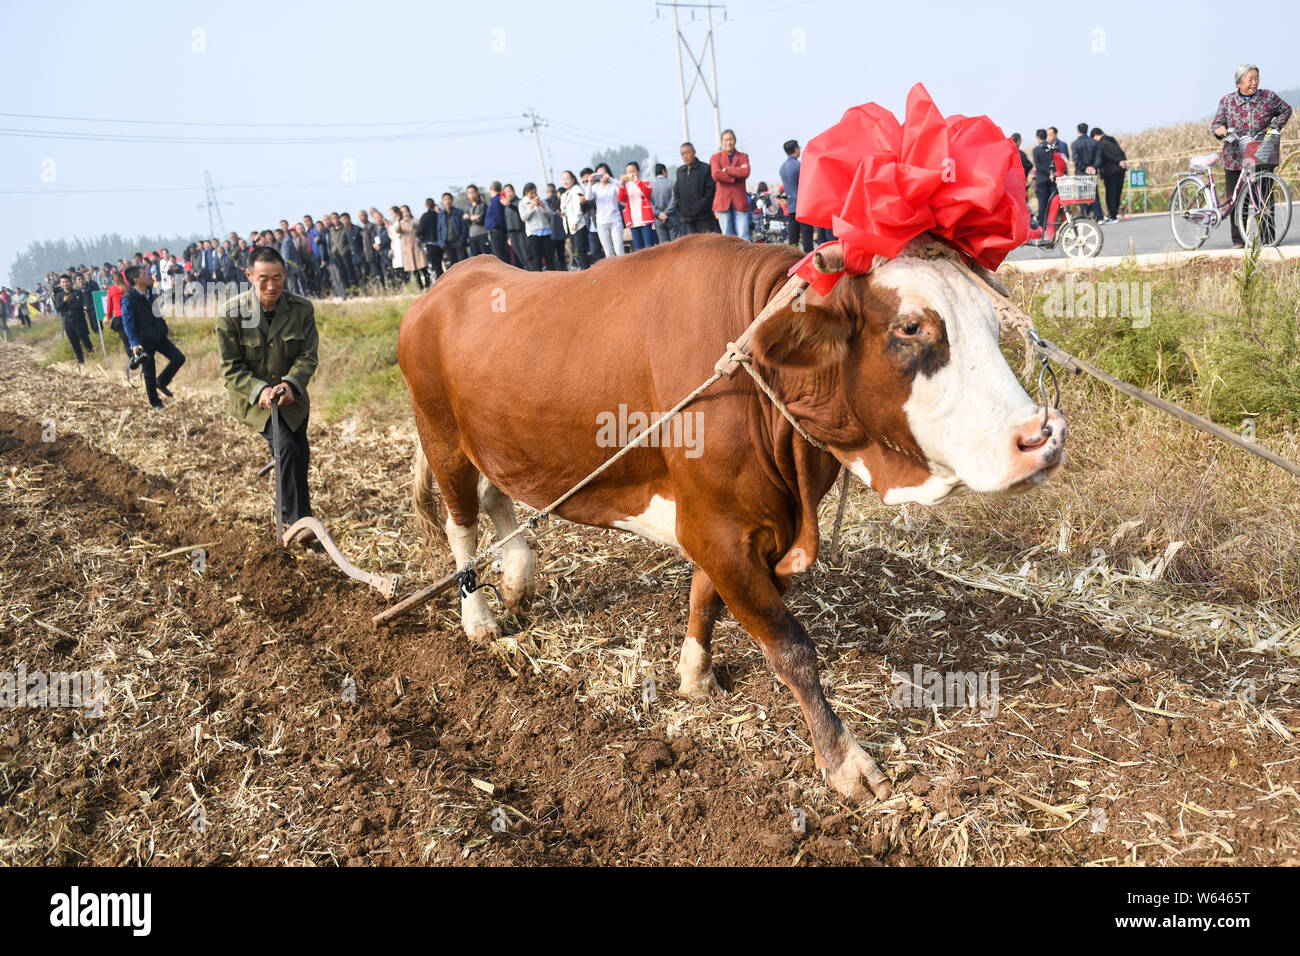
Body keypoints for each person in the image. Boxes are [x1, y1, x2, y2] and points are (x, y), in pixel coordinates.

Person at [216, 246, 319, 535]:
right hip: (254, 402)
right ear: (249, 275)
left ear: (285, 274)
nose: (272, 286)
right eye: (263, 279)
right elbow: (230, 367)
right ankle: (296, 524)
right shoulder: (231, 315)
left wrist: (291, 384)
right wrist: (260, 389)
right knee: (285, 448)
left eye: (277, 278)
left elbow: (308, 356)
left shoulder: (301, 309)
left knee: (300, 453)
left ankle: (296, 512)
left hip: (293, 399)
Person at [1211, 63, 1292, 248]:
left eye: (1257, 78)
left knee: (1264, 197)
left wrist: (1273, 127)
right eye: (1250, 79)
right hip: (1235, 157)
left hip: (1261, 153)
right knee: (1237, 198)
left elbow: (1286, 110)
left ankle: (1268, 239)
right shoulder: (1227, 101)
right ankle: (1239, 240)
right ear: (1239, 82)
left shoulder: (1268, 97)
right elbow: (1216, 124)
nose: (1254, 82)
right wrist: (1220, 130)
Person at [121, 264, 185, 410]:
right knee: (149, 372)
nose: (148, 275)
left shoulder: (150, 292)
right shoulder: (128, 298)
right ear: (136, 279)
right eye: (144, 274)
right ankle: (155, 403)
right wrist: (134, 343)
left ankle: (161, 382)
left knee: (179, 358)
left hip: (159, 335)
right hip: (144, 341)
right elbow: (128, 323)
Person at [710, 129, 751, 239]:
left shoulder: (743, 156)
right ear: (722, 142)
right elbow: (716, 175)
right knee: (726, 237)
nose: (729, 142)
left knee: (744, 236)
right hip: (723, 201)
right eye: (726, 140)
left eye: (731, 139)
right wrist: (736, 175)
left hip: (740, 200)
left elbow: (745, 172)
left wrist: (727, 170)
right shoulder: (715, 157)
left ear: (735, 141)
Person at [675, 141, 717, 234]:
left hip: (704, 217)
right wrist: (680, 205)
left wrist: (700, 206)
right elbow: (676, 192)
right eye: (682, 154)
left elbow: (710, 192)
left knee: (706, 245)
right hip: (687, 218)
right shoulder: (680, 171)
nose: (685, 156)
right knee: (691, 246)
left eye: (687, 153)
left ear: (694, 152)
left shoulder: (705, 168)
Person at [779, 139, 814, 252]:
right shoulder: (799, 166)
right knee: (807, 236)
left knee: (793, 238)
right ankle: (809, 258)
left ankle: (793, 259)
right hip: (803, 206)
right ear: (796, 149)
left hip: (791, 207)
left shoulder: (782, 168)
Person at [1091, 127, 1129, 225]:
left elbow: (1107, 155)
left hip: (1110, 171)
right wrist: (1122, 161)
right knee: (1117, 193)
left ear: (1095, 136)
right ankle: (1114, 214)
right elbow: (1122, 152)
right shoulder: (1112, 140)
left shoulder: (1101, 143)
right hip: (1120, 170)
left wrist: (1118, 161)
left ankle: (1112, 215)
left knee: (1110, 194)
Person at [54, 274, 94, 363]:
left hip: (80, 321)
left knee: (86, 341)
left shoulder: (77, 292)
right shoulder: (59, 296)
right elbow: (58, 308)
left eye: (66, 282)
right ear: (61, 284)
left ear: (71, 283)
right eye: (63, 282)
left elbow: (81, 304)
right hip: (68, 322)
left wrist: (71, 302)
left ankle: (93, 358)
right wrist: (64, 301)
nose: (65, 284)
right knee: (74, 343)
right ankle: (81, 361)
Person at [588, 164, 625, 258]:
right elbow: (588, 197)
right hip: (601, 222)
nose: (602, 175)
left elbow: (621, 188)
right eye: (599, 174)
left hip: (615, 220)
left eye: (604, 173)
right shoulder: (596, 187)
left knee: (619, 250)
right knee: (608, 252)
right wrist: (589, 182)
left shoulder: (613, 185)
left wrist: (611, 179)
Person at [103, 269, 133, 381]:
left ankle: (133, 359)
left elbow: (109, 306)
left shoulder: (111, 290)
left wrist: (107, 317)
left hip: (119, 317)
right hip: (131, 314)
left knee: (125, 340)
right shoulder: (128, 288)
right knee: (133, 337)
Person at [520, 182, 559, 271]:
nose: (534, 195)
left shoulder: (542, 201)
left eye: (535, 192)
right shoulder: (522, 203)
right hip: (533, 233)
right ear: (526, 193)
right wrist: (531, 207)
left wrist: (543, 207)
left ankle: (552, 274)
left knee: (549, 255)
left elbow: (550, 215)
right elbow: (523, 217)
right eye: (531, 193)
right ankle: (538, 274)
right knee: (537, 257)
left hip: (546, 231)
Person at [559, 170, 592, 269]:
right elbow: (563, 209)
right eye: (563, 179)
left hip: (578, 225)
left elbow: (579, 208)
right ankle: (582, 269)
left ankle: (586, 269)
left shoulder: (577, 189)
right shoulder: (564, 194)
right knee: (575, 252)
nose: (565, 181)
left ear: (573, 179)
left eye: (567, 178)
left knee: (581, 250)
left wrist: (575, 222)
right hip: (569, 227)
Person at [1031, 129, 1058, 232]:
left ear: (1038, 137)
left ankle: (1042, 224)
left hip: (1042, 179)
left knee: (1042, 204)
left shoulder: (1036, 150)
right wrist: (1052, 173)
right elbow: (1055, 161)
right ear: (1046, 136)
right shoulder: (1052, 148)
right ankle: (1052, 223)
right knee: (1052, 203)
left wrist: (1047, 173)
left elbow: (1038, 165)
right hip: (1052, 180)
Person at [397, 204, 428, 288]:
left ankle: (428, 285)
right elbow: (397, 230)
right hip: (407, 248)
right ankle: (420, 287)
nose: (404, 213)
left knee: (422, 266)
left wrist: (409, 220)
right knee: (414, 269)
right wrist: (399, 221)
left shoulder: (414, 220)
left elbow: (416, 227)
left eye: (405, 211)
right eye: (402, 212)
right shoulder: (400, 223)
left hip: (416, 246)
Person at [650, 163, 679, 244]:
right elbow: (674, 200)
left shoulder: (650, 186)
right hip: (672, 217)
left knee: (663, 246)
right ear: (664, 172)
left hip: (658, 219)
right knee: (676, 244)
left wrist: (659, 213)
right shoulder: (672, 183)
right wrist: (666, 213)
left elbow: (649, 203)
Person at [438, 193, 468, 267]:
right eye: (445, 199)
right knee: (452, 266)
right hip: (447, 244)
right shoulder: (441, 214)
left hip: (458, 241)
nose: (447, 201)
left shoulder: (459, 212)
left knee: (463, 264)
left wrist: (462, 240)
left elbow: (465, 227)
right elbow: (439, 230)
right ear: (443, 201)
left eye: (449, 199)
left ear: (452, 200)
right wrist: (442, 243)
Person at [418, 197, 443, 281]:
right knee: (440, 265)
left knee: (435, 266)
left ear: (426, 206)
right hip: (440, 244)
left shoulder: (424, 216)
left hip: (430, 244)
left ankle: (439, 282)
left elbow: (419, 231)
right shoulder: (438, 215)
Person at [485, 181, 509, 263]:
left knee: (500, 256)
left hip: (497, 232)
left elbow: (499, 217)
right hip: (495, 232)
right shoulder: (495, 200)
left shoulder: (496, 201)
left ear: (490, 189)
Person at [464, 184, 490, 257]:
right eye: (469, 193)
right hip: (472, 237)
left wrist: (470, 218)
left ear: (477, 193)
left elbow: (481, 219)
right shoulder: (467, 207)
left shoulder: (483, 205)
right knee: (475, 260)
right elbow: (465, 221)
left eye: (473, 192)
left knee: (486, 258)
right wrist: (472, 218)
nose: (471, 195)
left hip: (482, 235)